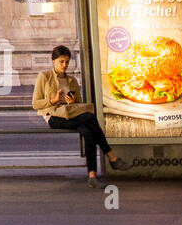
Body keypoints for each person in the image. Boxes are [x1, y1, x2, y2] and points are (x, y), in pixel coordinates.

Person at [33, 45, 127, 185]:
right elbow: (35, 104)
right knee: (90, 117)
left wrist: (72, 102)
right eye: (61, 62)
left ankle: (92, 176)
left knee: (88, 132)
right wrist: (53, 100)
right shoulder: (44, 77)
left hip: (72, 114)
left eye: (67, 62)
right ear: (53, 61)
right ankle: (111, 156)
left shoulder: (72, 81)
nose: (65, 65)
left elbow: (79, 105)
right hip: (54, 117)